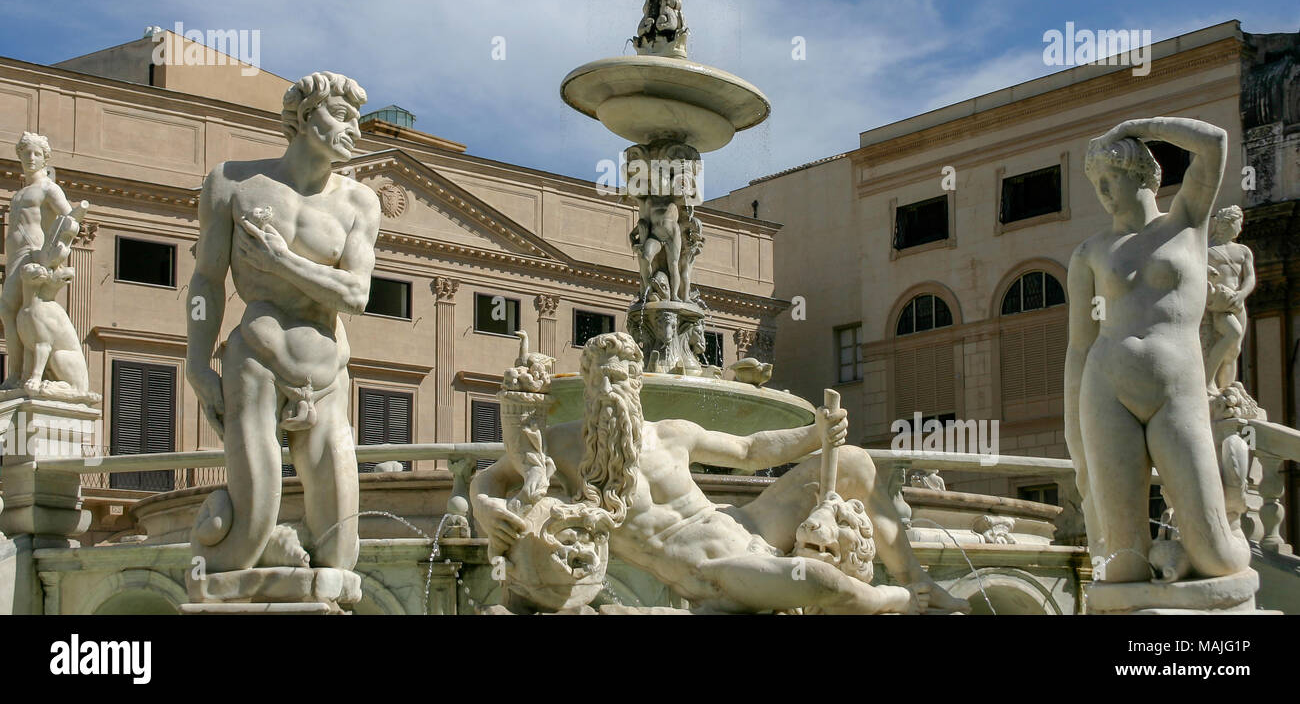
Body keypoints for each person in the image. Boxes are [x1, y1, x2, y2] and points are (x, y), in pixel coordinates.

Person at [474, 331, 968, 614]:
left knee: (856, 462)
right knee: (815, 577)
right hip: (711, 571)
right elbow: (493, 478)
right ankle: (895, 598)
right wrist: (484, 507)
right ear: (585, 382)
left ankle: (922, 581)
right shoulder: (561, 443)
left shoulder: (672, 432)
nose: (611, 387)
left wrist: (817, 433)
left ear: (638, 381)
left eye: (621, 377)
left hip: (745, 525)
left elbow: (751, 449)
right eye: (600, 378)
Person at [186, 72, 380, 573]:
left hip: (327, 373)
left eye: (357, 120)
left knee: (341, 548)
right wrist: (196, 365)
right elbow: (206, 282)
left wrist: (282, 262)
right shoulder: (232, 184)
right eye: (340, 115)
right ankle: (245, 561)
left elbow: (357, 294)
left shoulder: (360, 203)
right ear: (301, 117)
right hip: (256, 360)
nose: (353, 130)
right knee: (245, 531)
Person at [1065, 118, 1251, 583]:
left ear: (1144, 176)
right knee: (1122, 566)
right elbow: (1078, 347)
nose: (1104, 193)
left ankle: (1199, 541)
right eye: (1096, 184)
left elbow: (1215, 143)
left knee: (1219, 558)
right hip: (1106, 391)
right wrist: (1074, 436)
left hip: (1177, 393)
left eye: (1112, 179)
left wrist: (1137, 127)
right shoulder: (1090, 252)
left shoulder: (1187, 222)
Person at [1, 132, 76, 390]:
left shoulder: (48, 188)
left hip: (33, 256)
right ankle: (17, 373)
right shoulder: (20, 193)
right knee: (12, 313)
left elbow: (71, 218)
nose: (31, 158)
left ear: (45, 158)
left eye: (37, 154)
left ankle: (20, 375)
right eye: (26, 153)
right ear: (19, 156)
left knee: (16, 311)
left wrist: (56, 250)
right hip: (15, 258)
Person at [1203, 205, 1255, 393]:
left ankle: (1226, 389)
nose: (1240, 228)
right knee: (1232, 333)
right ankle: (1208, 382)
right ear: (1226, 225)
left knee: (1235, 350)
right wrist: (1206, 270)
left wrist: (1241, 294)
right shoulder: (1206, 249)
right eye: (1237, 224)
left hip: (1237, 302)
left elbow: (1250, 278)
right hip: (1218, 303)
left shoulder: (1243, 251)